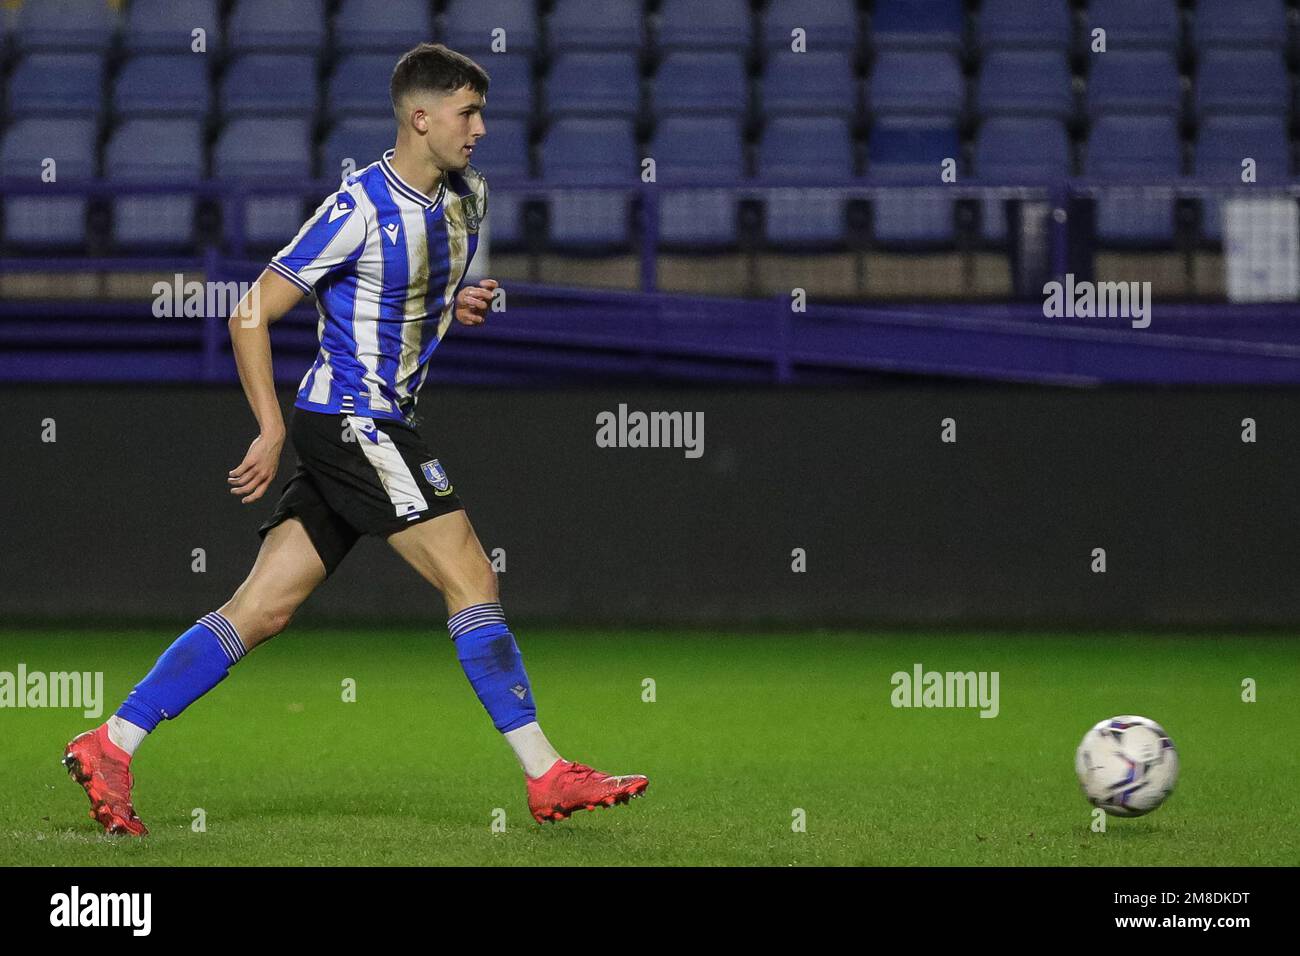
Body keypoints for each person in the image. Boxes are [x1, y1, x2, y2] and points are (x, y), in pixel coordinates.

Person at [64, 43, 648, 836]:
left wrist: (453, 306)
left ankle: (112, 741)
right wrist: (271, 428)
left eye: (481, 113)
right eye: (467, 114)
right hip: (352, 420)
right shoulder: (357, 209)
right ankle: (547, 773)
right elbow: (249, 313)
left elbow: (406, 296)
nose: (480, 129)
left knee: (261, 609)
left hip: (367, 421)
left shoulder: (465, 197)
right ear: (420, 117)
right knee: (472, 572)